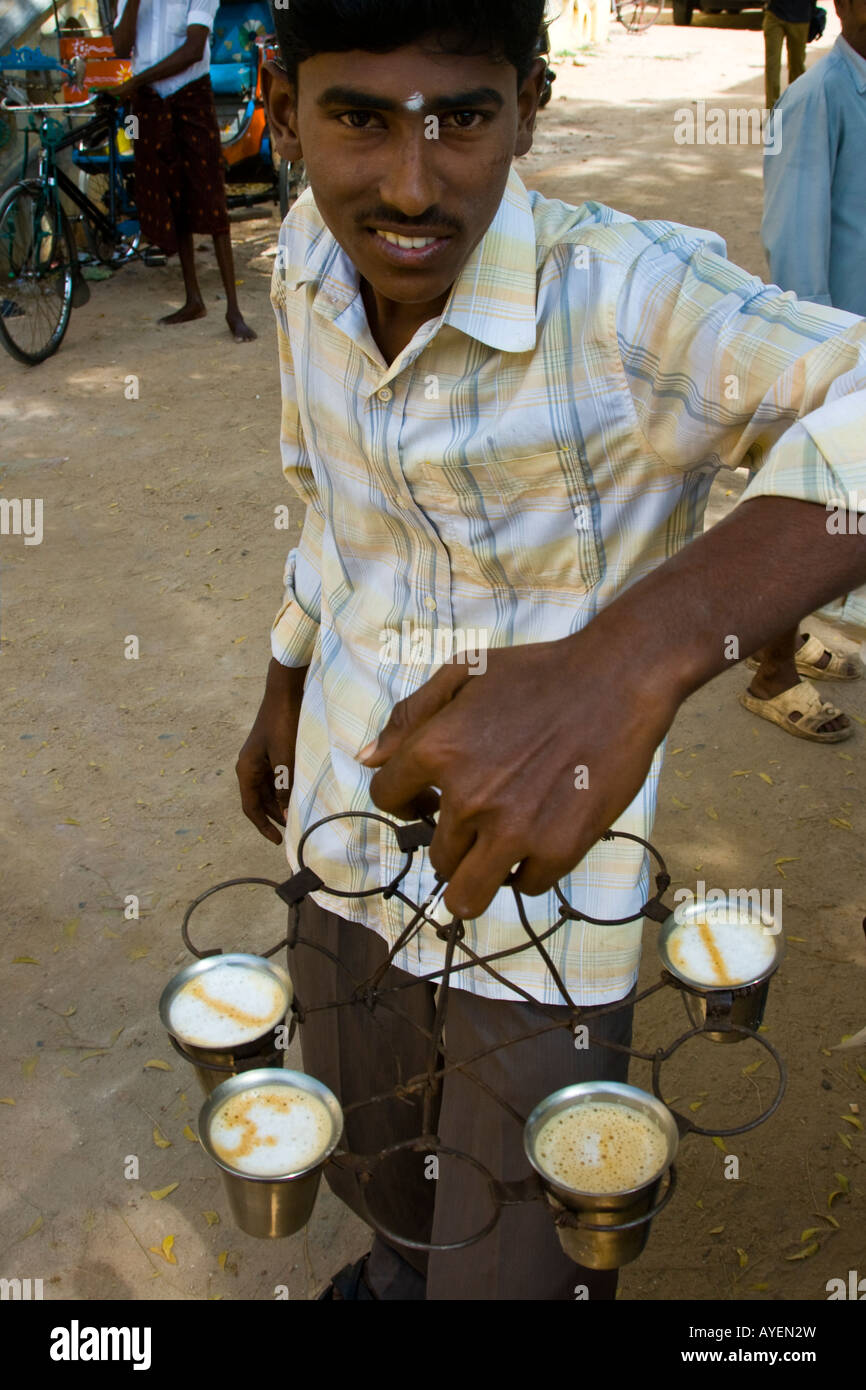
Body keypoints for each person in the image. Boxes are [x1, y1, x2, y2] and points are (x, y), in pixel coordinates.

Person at [236, 0, 866, 1300]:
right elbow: (328, 496)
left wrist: (635, 650)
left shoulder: (629, 296)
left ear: (529, 101)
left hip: (543, 902)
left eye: (462, 119)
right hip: (346, 838)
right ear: (284, 106)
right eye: (357, 118)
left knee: (516, 1252)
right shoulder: (304, 251)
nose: (409, 186)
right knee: (378, 1168)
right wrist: (285, 675)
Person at [745, 0, 866, 736]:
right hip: (836, 353)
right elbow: (794, 250)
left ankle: (795, 636)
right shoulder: (813, 99)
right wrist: (824, 370)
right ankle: (770, 672)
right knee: (802, 511)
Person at [111, 0, 256, 342]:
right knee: (169, 197)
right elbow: (119, 47)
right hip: (147, 102)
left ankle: (233, 311)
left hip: (190, 96)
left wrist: (135, 82)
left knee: (211, 198)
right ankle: (193, 299)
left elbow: (193, 49)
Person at [763, 0, 812, 110]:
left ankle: (795, 110)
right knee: (772, 66)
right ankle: (772, 113)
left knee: (797, 67)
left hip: (800, 18)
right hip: (774, 15)